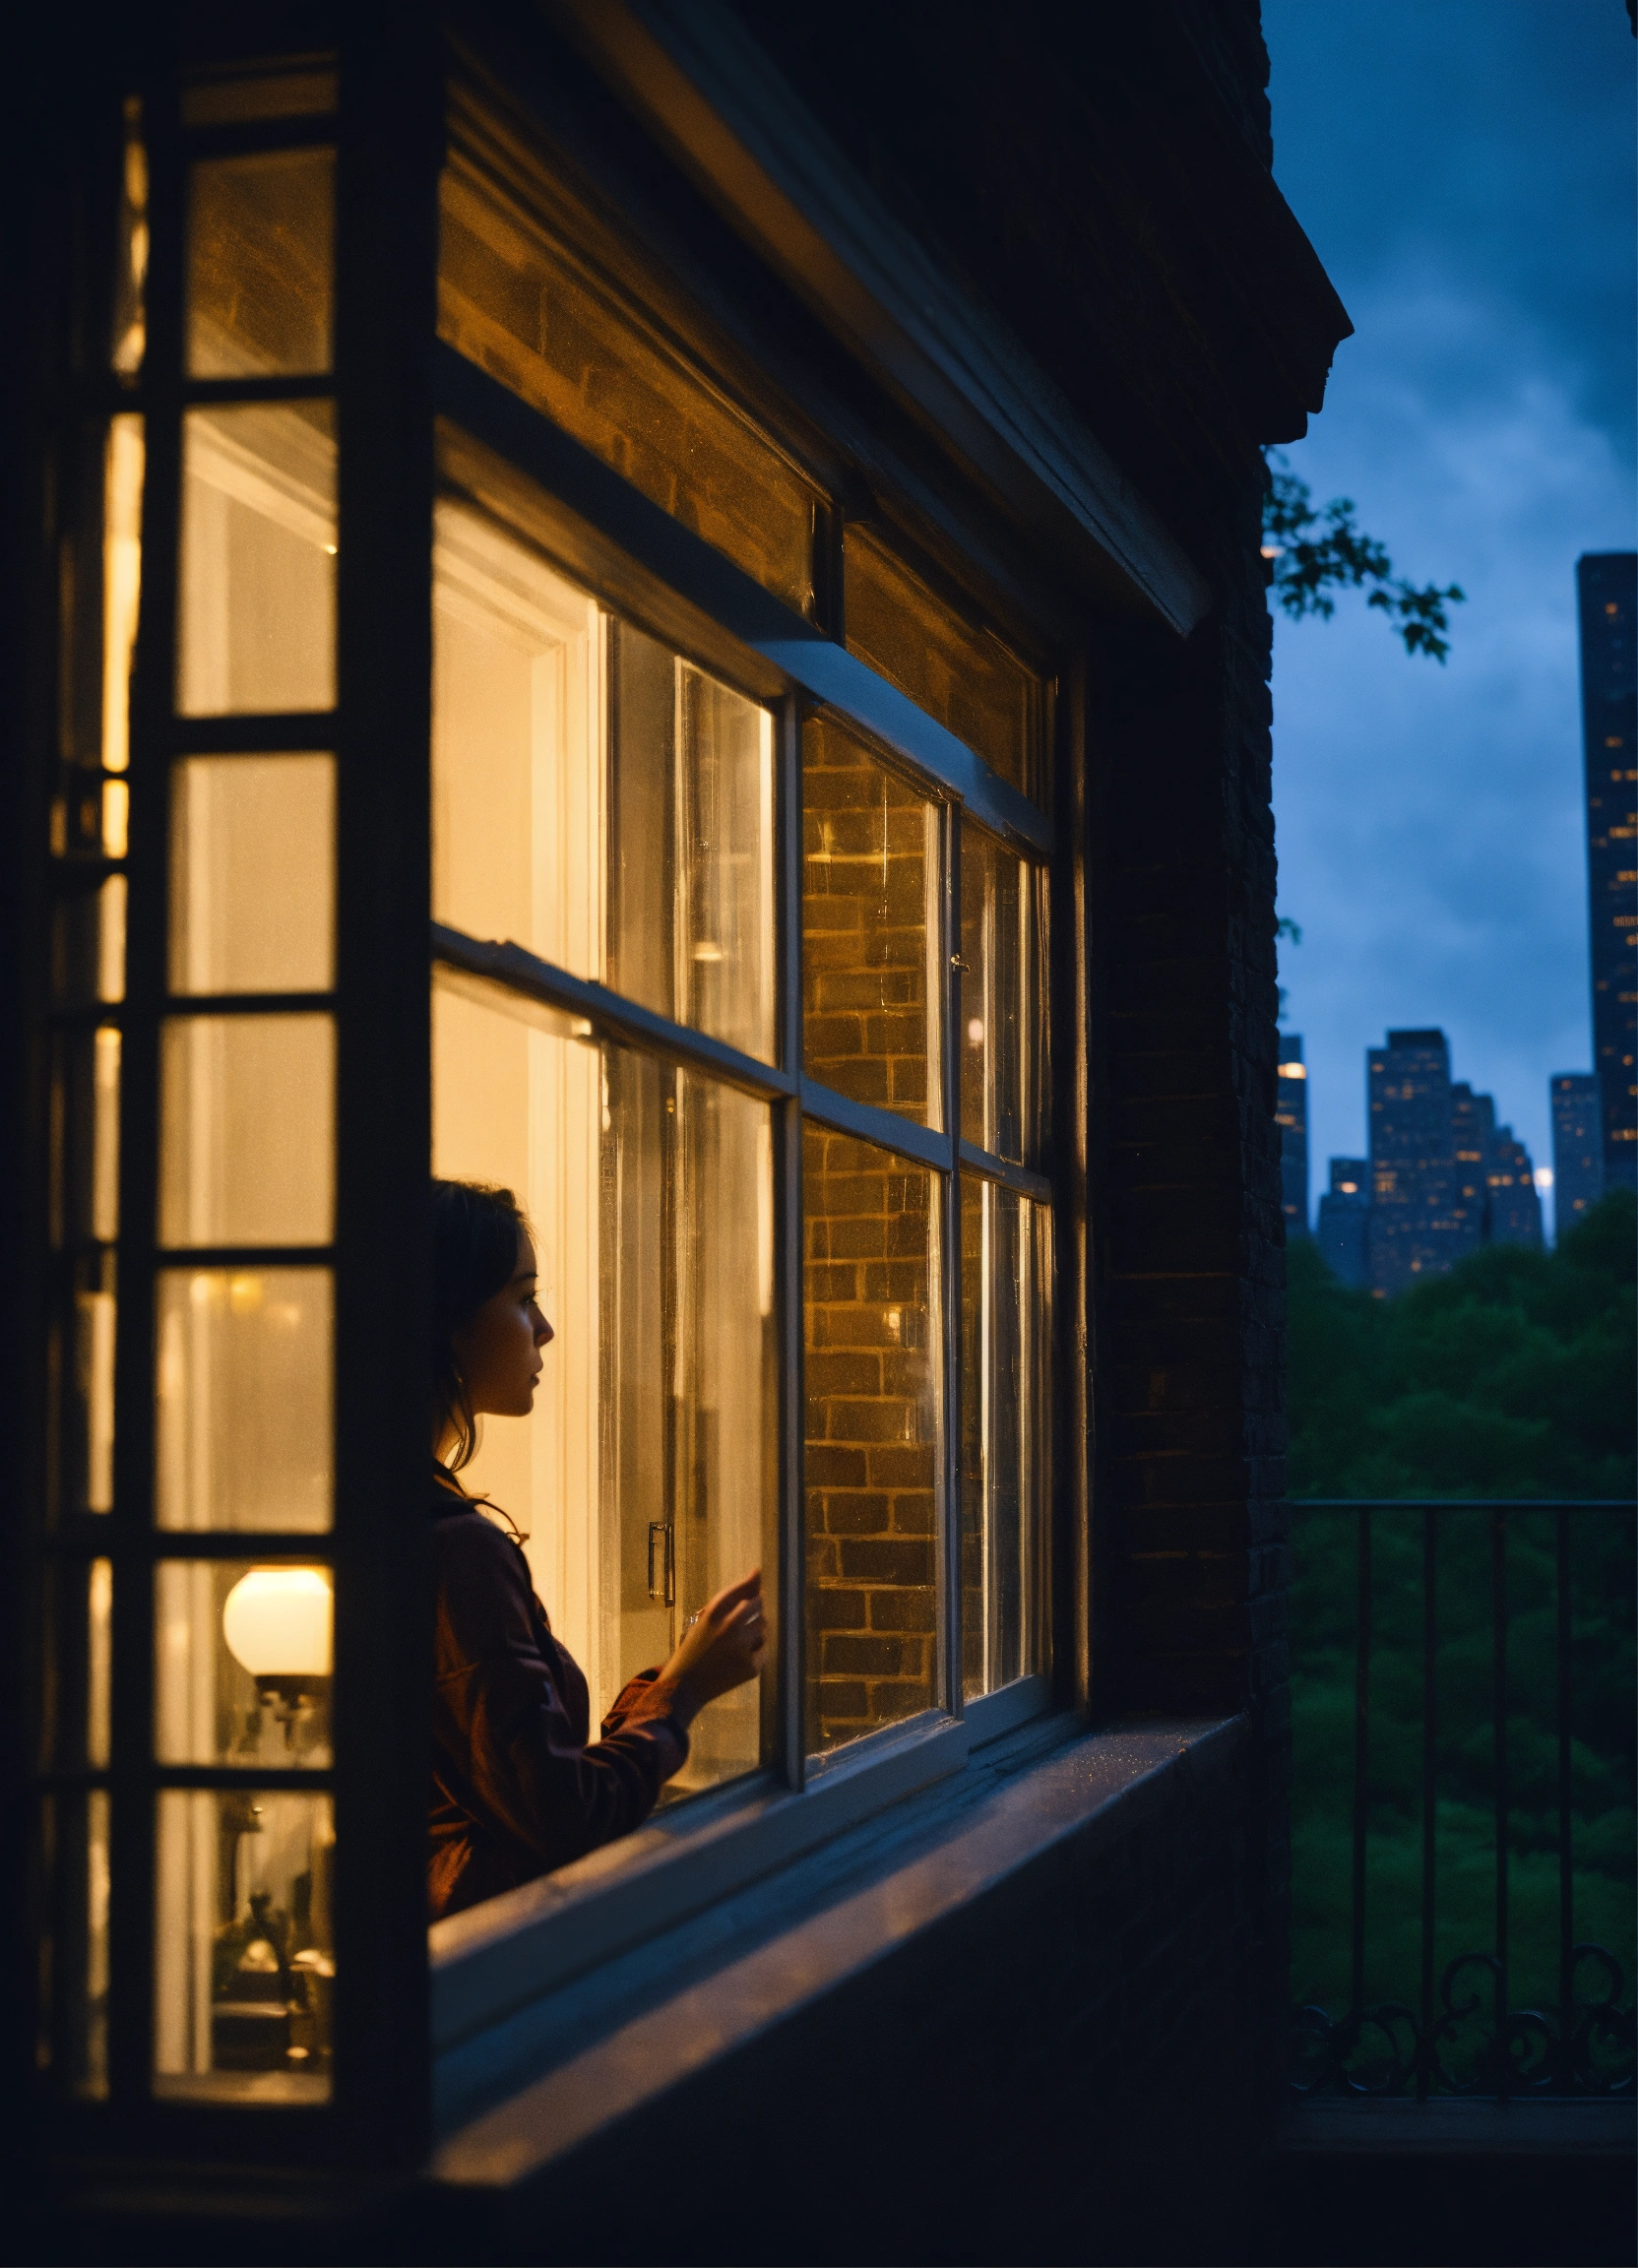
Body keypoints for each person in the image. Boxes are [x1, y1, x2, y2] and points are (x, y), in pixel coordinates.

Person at [427, 1177, 765, 1921]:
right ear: (449, 1320)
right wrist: (679, 1699)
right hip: (478, 1958)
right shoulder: (455, 1551)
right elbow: (560, 1815)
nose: (543, 1329)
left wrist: (670, 1681)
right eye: (522, 1299)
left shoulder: (405, 1511)